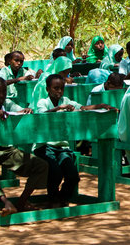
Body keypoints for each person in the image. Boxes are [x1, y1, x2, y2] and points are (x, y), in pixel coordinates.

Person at [34, 74, 115, 207]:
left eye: (61, 88)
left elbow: (82, 108)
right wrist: (59, 108)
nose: (59, 91)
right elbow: (43, 115)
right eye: (56, 88)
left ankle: (61, 198)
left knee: (73, 176)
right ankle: (53, 199)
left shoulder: (66, 100)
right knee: (55, 171)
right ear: (48, 89)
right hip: (45, 146)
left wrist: (100, 105)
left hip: (62, 147)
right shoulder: (42, 102)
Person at [0, 77, 46, 214]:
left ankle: (22, 202)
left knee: (41, 165)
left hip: (6, 148)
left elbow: (19, 110)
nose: (1, 96)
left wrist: (26, 110)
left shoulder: (7, 103)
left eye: (4, 92)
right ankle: (5, 202)